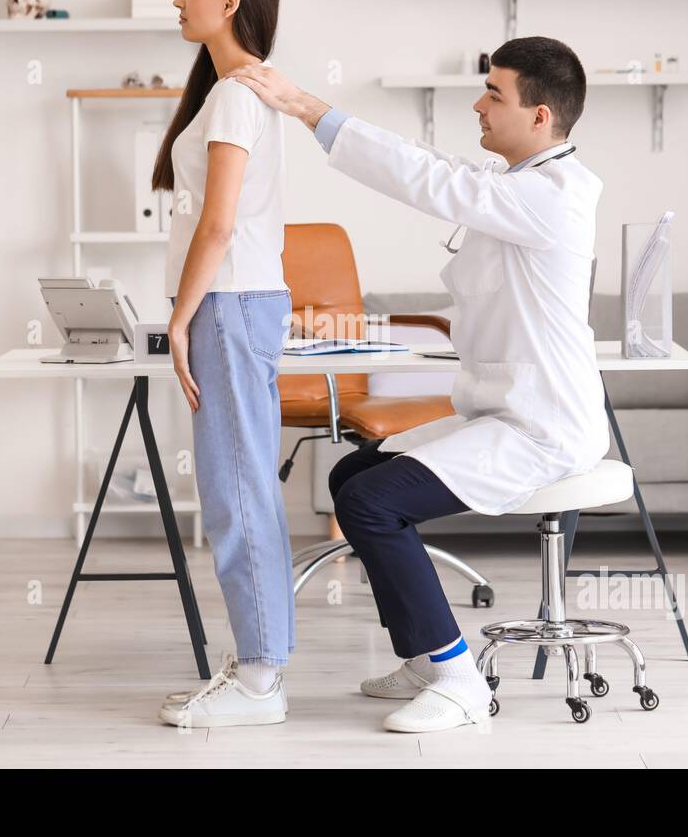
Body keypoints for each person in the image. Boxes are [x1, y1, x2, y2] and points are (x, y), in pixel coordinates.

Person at [230, 36, 611, 733]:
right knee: (351, 477)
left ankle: (459, 680)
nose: (479, 103)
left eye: (494, 94)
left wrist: (309, 108)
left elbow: (427, 180)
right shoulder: (518, 186)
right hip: (501, 412)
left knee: (373, 503)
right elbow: (438, 170)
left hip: (543, 429)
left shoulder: (552, 195)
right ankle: (424, 658)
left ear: (541, 117)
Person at [154, 0, 294, 729]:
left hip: (228, 304)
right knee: (233, 490)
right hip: (232, 304)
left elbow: (220, 222)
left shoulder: (239, 95)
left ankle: (261, 682)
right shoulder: (230, 92)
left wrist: (179, 319)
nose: (179, 1)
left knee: (238, 493)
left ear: (230, 0)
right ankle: (255, 668)